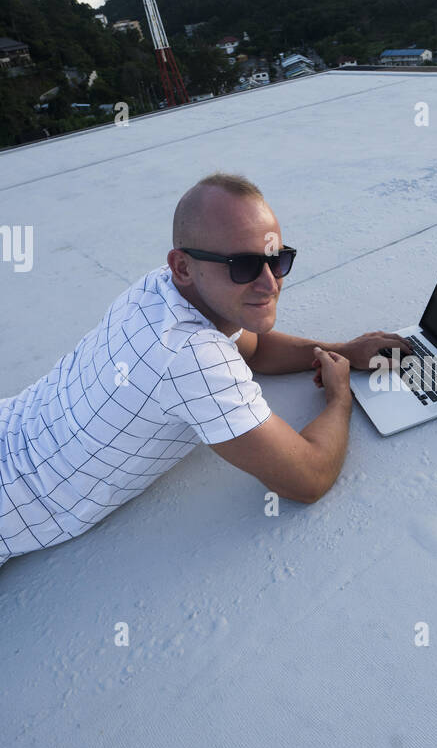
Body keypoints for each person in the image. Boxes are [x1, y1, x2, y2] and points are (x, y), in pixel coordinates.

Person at [0, 171, 412, 566]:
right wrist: (339, 394)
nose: (270, 283)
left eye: (277, 259)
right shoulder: (190, 357)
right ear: (182, 265)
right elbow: (307, 479)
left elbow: (253, 348)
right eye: (243, 266)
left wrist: (340, 350)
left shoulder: (160, 289)